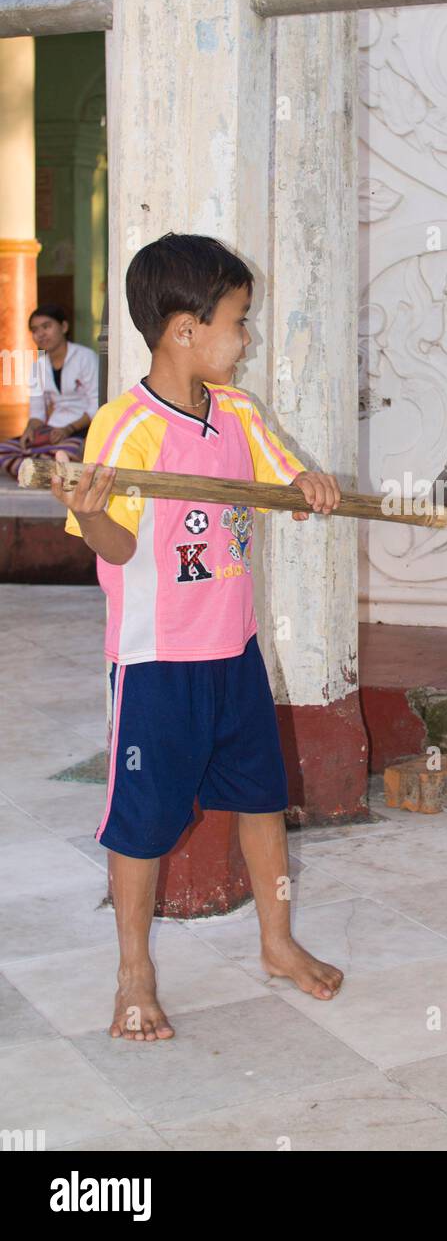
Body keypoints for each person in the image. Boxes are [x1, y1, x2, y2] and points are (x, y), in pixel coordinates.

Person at [53, 232, 344, 1043]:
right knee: (143, 821)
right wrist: (86, 507)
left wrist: (307, 486)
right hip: (156, 663)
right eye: (237, 321)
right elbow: (111, 549)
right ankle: (134, 973)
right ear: (186, 329)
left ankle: (277, 942)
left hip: (233, 649)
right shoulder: (125, 428)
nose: (244, 339)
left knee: (258, 802)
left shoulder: (241, 413)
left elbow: (286, 478)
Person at [0, 304, 99, 480]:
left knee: (69, 451)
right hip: (51, 432)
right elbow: (37, 410)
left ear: (64, 327)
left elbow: (96, 404)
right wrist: (30, 428)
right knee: (3, 450)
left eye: (46, 326)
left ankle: (39, 468)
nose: (41, 334)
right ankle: (47, 468)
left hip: (82, 429)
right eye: (35, 330)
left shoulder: (85, 357)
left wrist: (68, 430)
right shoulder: (37, 366)